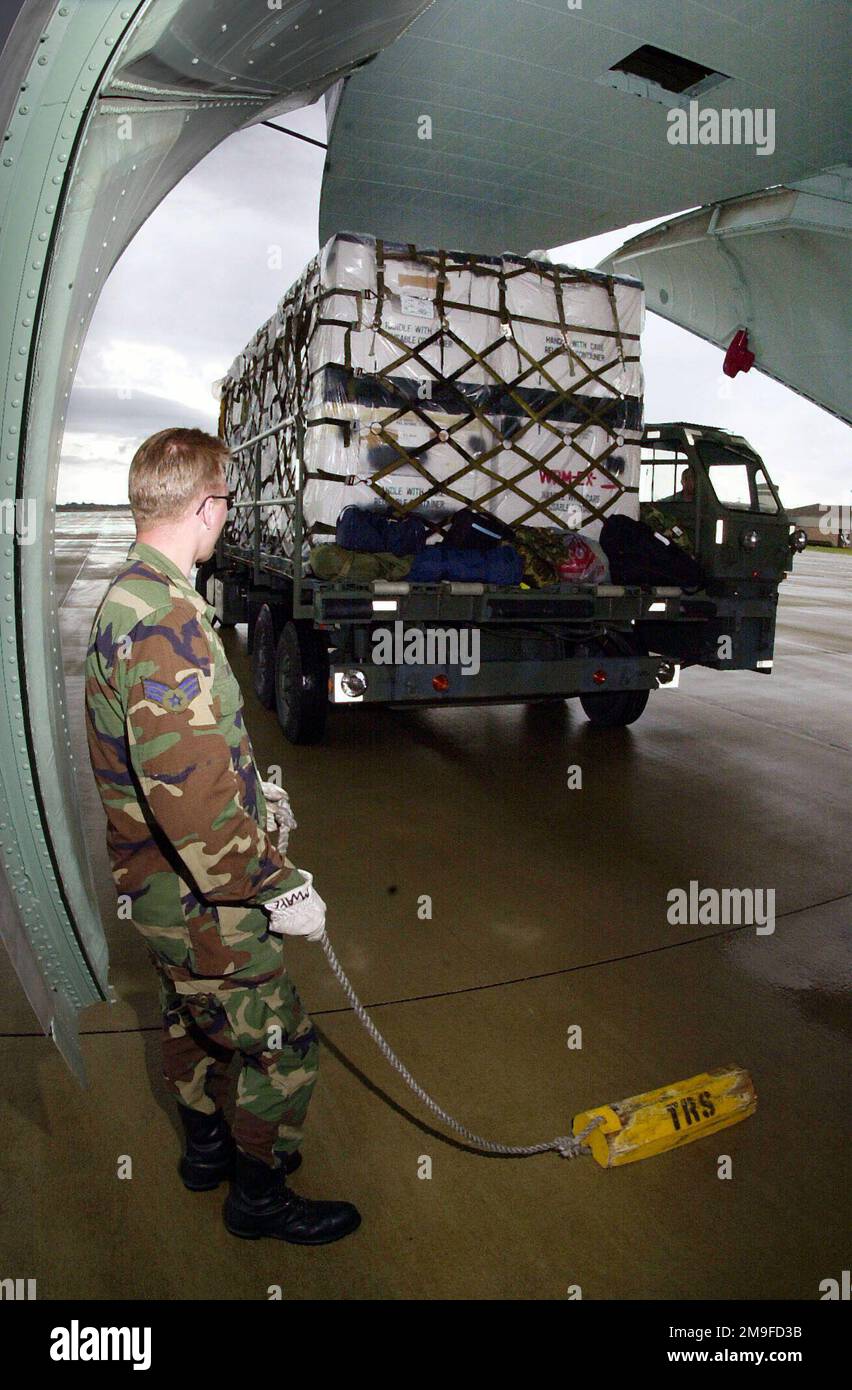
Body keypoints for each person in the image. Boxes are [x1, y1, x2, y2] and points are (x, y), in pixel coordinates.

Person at [84, 427, 360, 1245]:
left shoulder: (133, 596)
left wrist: (251, 785)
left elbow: (185, 763)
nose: (228, 513)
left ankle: (207, 1151)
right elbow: (197, 816)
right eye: (228, 500)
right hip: (202, 897)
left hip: (157, 891)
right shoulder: (167, 621)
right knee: (285, 1046)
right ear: (206, 506)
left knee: (190, 1022)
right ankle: (258, 1197)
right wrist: (281, 888)